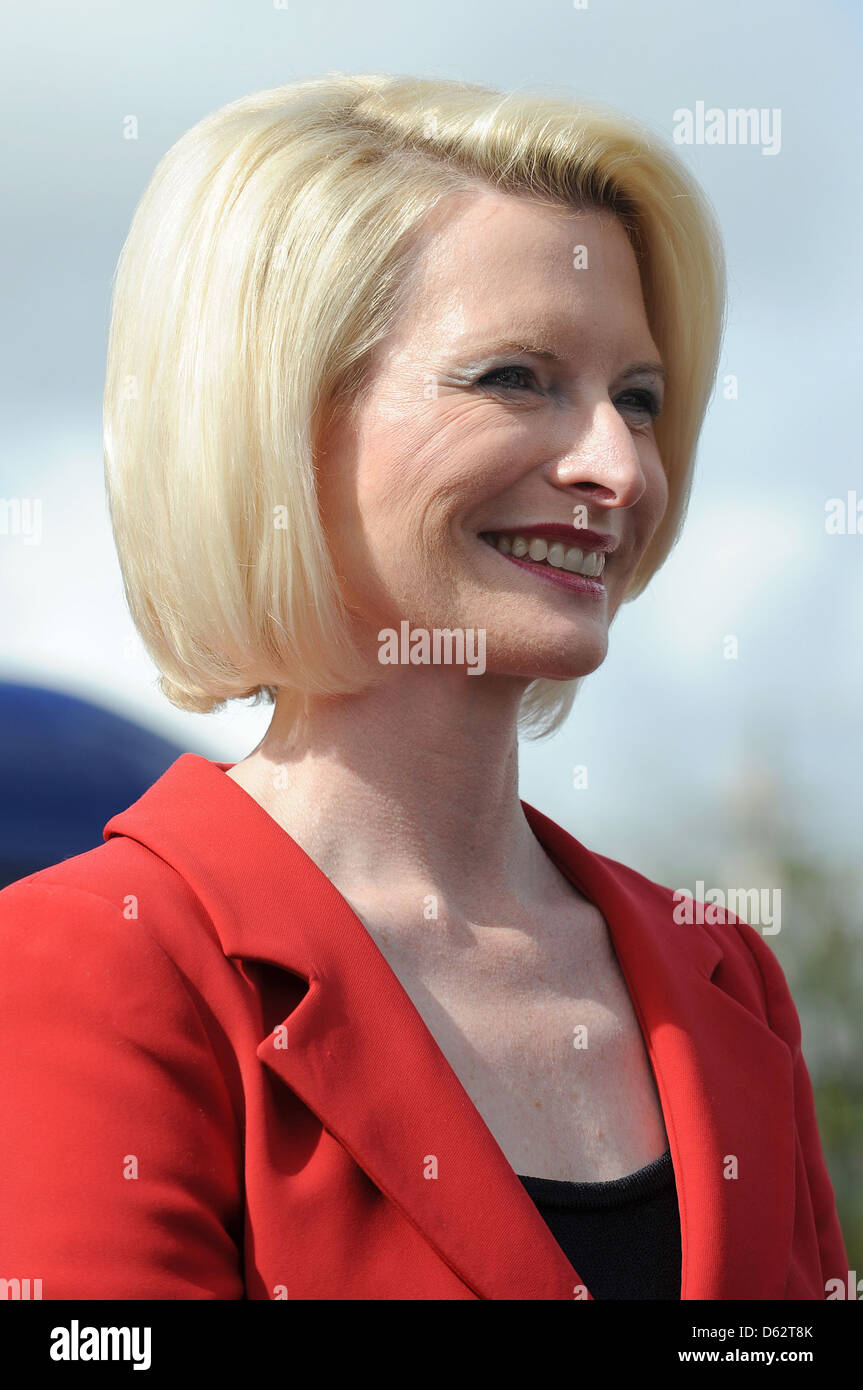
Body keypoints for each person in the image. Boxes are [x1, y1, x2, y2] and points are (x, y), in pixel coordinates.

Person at [0, 72, 847, 1300]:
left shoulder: (725, 975)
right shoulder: (90, 964)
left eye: (639, 399)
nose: (616, 464)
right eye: (517, 377)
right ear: (282, 417)